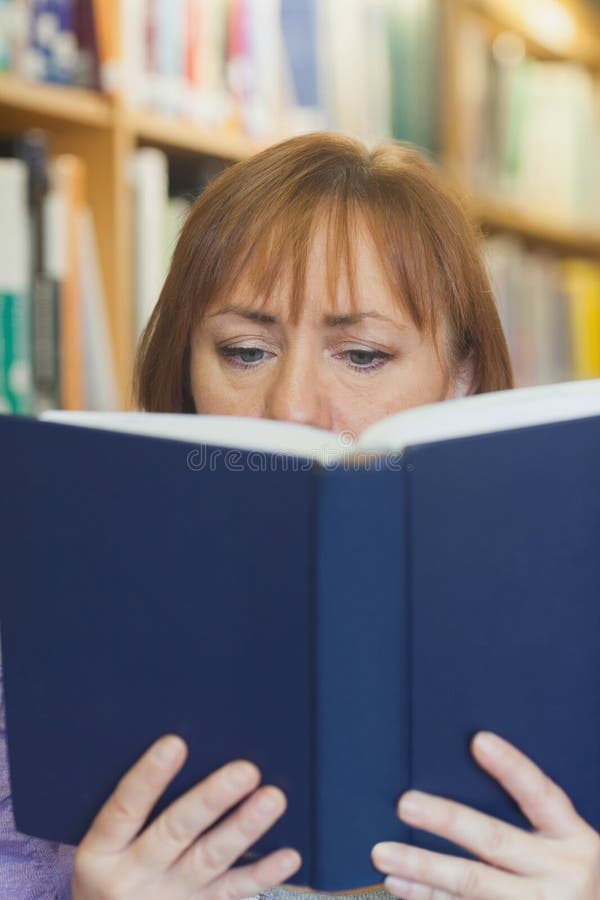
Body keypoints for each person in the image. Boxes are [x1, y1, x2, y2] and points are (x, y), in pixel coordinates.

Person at [1, 133, 598, 899]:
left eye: (362, 356)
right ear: (185, 367)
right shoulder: (41, 642)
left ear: (462, 378)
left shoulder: (576, 633)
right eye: (245, 351)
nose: (290, 408)